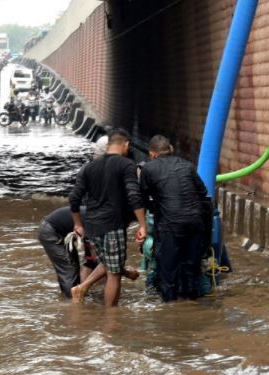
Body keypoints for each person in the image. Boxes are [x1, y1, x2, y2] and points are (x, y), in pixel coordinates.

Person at [68, 129, 148, 307]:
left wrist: (78, 224)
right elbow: (134, 196)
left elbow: (74, 198)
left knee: (107, 262)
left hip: (92, 225)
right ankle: (110, 318)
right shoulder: (127, 165)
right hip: (112, 225)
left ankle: (82, 288)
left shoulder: (89, 167)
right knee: (114, 273)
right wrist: (143, 225)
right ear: (125, 144)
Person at [139, 135, 211, 302]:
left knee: (168, 274)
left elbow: (141, 199)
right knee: (192, 271)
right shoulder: (187, 166)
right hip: (195, 224)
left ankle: (170, 311)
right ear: (170, 149)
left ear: (151, 154)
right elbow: (203, 194)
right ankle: (192, 305)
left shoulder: (148, 169)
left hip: (170, 227)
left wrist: (142, 226)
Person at [39, 206, 99, 298]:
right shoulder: (97, 221)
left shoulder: (98, 217)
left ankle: (73, 294)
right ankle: (72, 301)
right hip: (51, 230)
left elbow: (90, 259)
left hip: (59, 230)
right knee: (69, 269)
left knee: (75, 265)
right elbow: (92, 253)